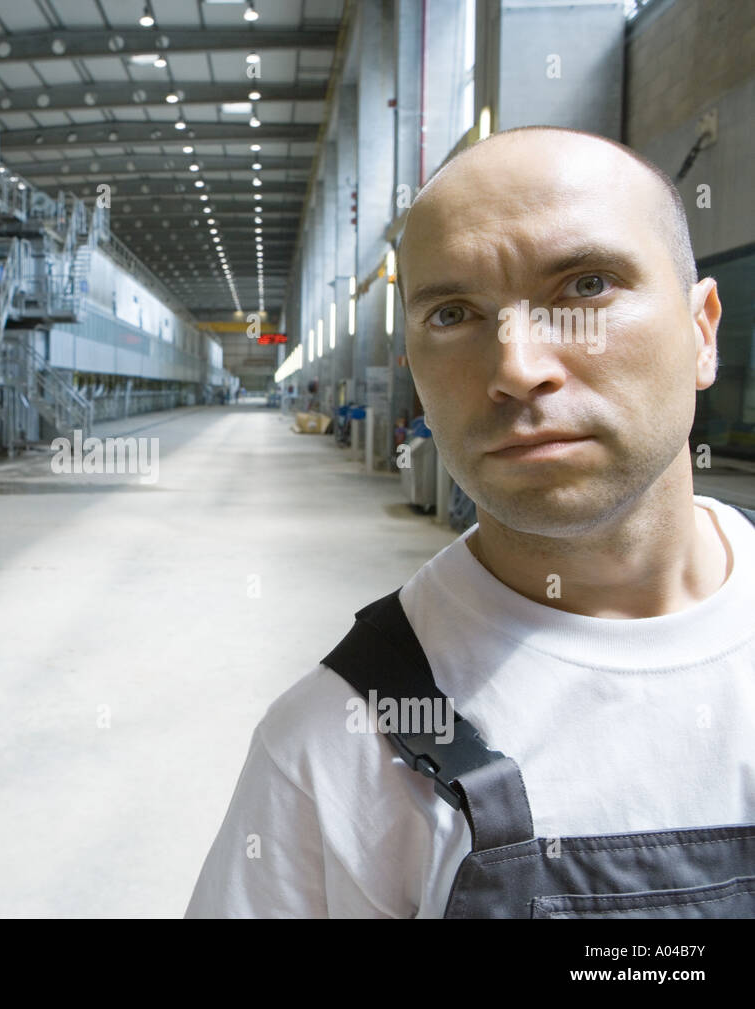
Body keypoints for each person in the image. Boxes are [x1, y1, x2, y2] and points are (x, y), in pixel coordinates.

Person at [185, 126, 755, 918]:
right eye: (453, 313)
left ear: (702, 330)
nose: (518, 368)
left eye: (587, 287)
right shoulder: (335, 749)